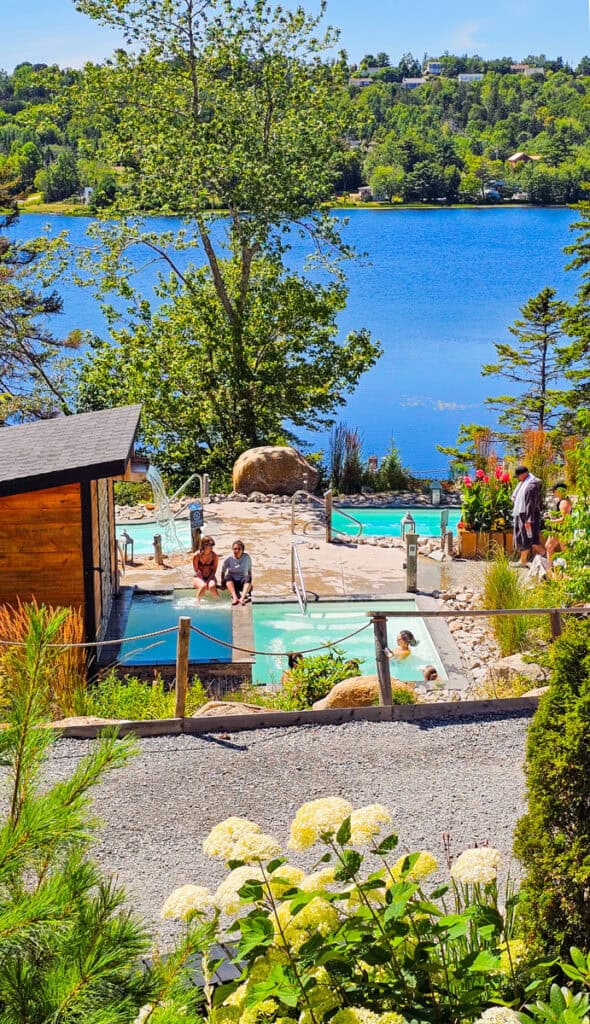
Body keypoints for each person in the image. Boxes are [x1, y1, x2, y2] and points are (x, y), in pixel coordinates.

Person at [511, 466, 543, 566]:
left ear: (524, 474)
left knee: (531, 539)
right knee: (525, 537)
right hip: (523, 514)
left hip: (528, 516)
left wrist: (528, 519)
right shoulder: (524, 483)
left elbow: (531, 504)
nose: (518, 479)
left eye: (518, 476)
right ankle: (523, 561)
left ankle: (547, 556)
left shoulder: (531, 486)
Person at [544, 482, 573, 568]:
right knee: (549, 546)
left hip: (562, 530)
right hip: (557, 529)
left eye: (554, 491)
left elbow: (564, 519)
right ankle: (550, 568)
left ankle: (569, 570)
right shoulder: (562, 501)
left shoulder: (564, 502)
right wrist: (550, 515)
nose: (553, 493)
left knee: (565, 550)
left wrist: (550, 521)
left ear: (559, 491)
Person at [221, 539, 253, 605]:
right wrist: (222, 583)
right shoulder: (229, 558)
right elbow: (223, 571)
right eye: (235, 549)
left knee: (248, 577)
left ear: (242, 550)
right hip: (232, 582)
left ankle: (242, 598)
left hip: (242, 581)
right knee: (227, 577)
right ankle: (235, 597)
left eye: (239, 549)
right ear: (232, 549)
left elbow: (249, 571)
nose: (237, 551)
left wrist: (249, 584)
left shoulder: (247, 557)